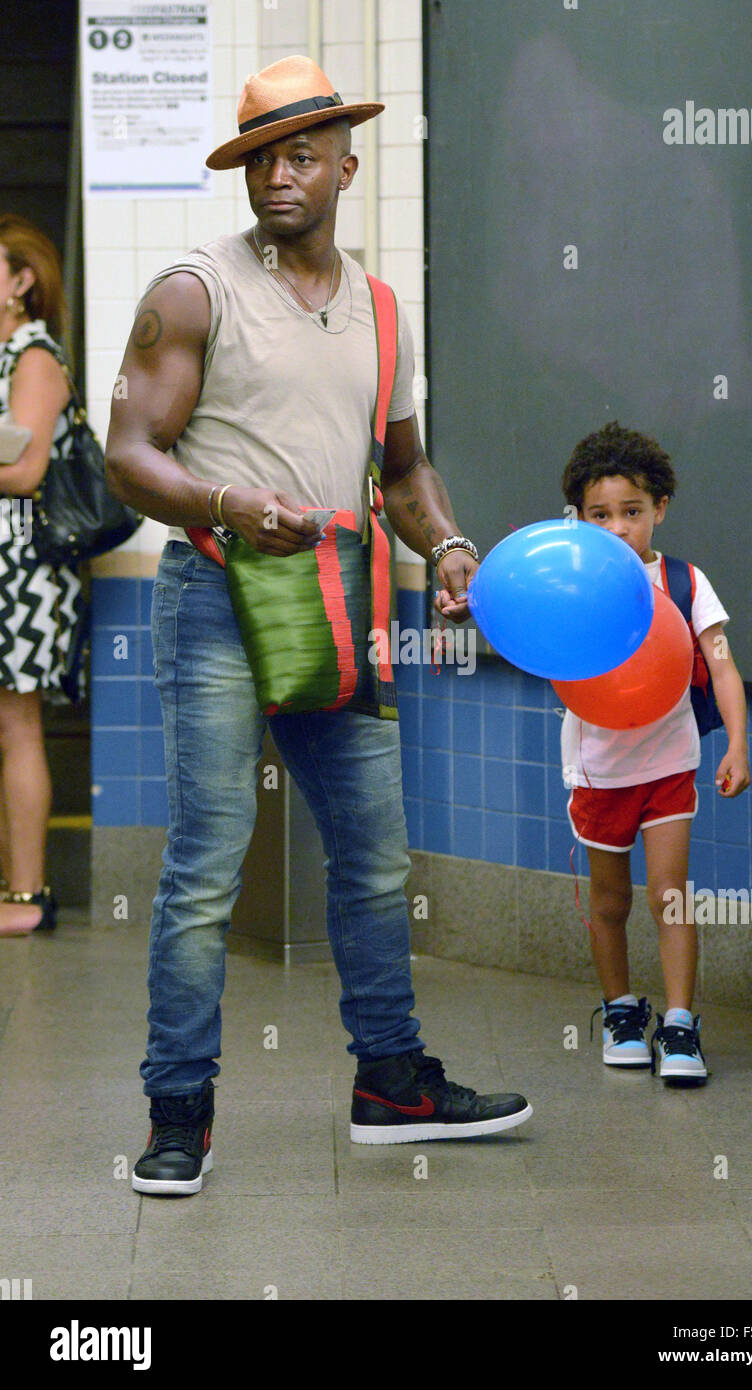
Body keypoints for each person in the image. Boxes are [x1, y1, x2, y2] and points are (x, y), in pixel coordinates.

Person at [105, 56, 531, 1196]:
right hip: (217, 590)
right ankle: (178, 1111)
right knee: (206, 864)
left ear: (346, 167)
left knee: (377, 854)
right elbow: (128, 455)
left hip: (338, 594)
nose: (279, 176)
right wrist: (224, 503)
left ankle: (390, 1079)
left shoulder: (382, 310)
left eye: (300, 156)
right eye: (260, 158)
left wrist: (442, 544)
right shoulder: (194, 291)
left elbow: (404, 469)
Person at [560, 421, 750, 1083]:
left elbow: (721, 666)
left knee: (669, 895)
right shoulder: (574, 584)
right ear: (579, 520)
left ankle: (678, 1026)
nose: (617, 528)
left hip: (669, 767)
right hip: (599, 770)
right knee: (609, 902)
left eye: (631, 512)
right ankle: (619, 1012)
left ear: (658, 509)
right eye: (599, 515)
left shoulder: (684, 582)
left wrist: (736, 745)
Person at [0, 215, 85, 938]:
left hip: (20, 572)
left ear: (20, 283)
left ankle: (28, 898)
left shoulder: (34, 358)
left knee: (17, 724)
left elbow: (25, 472)